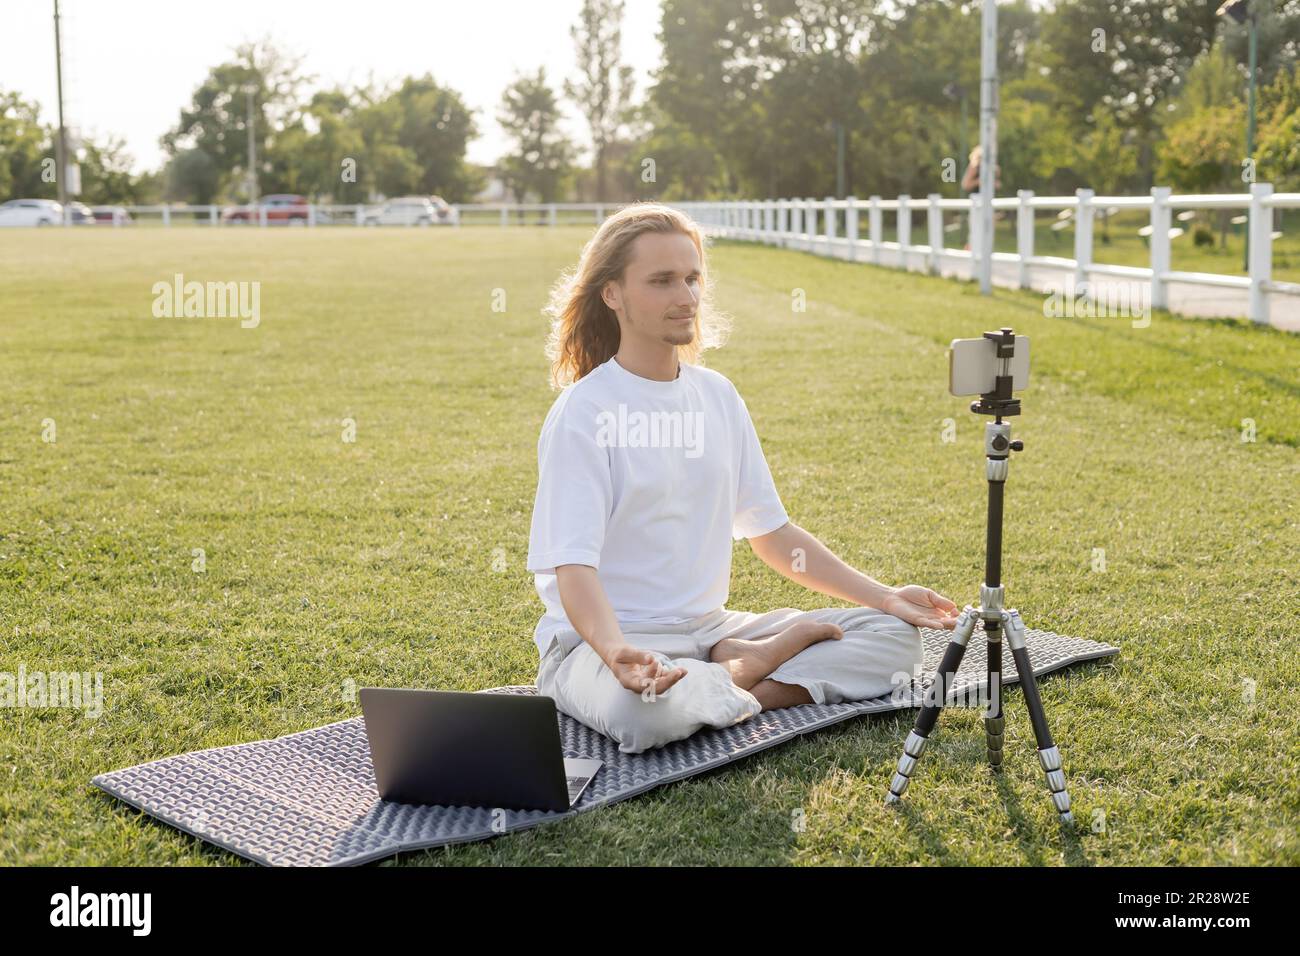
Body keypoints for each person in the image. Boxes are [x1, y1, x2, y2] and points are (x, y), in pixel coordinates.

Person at [525, 202, 959, 754]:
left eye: (692, 278)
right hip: (601, 642)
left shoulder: (717, 396)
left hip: (711, 632)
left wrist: (885, 597)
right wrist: (614, 652)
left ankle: (740, 670)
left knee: (895, 641)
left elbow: (773, 534)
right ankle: (751, 669)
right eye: (661, 281)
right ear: (612, 293)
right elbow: (574, 569)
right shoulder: (583, 412)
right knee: (644, 713)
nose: (685, 297)